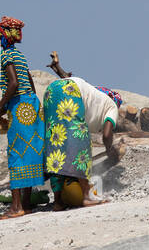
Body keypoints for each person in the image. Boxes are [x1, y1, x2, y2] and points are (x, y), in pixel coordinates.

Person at [0, 17, 45, 217]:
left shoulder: (6, 55)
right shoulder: (20, 55)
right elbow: (29, 83)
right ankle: (26, 203)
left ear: (5, 35)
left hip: (19, 105)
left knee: (16, 153)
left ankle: (16, 207)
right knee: (30, 151)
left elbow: (13, 83)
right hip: (31, 105)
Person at [42, 76, 104, 208]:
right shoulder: (108, 104)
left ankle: (58, 202)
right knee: (79, 139)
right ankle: (87, 197)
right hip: (68, 91)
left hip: (50, 92)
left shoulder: (89, 90)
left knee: (55, 143)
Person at [48, 52, 121, 164]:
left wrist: (57, 66)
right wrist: (109, 151)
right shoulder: (112, 106)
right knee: (81, 148)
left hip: (52, 89)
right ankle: (74, 174)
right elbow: (107, 135)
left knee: (56, 139)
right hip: (70, 94)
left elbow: (68, 84)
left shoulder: (91, 93)